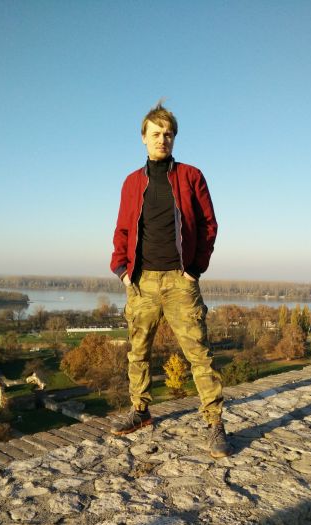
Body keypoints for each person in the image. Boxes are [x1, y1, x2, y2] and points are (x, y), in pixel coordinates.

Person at [110, 102, 231, 458]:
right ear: (144, 138)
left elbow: (209, 225)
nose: (163, 139)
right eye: (156, 133)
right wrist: (123, 270)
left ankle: (215, 423)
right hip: (142, 281)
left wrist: (195, 269)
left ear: (174, 138)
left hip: (181, 281)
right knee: (138, 351)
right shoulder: (132, 182)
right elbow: (122, 229)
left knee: (199, 355)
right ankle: (140, 410)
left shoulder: (191, 176)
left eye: (168, 134)